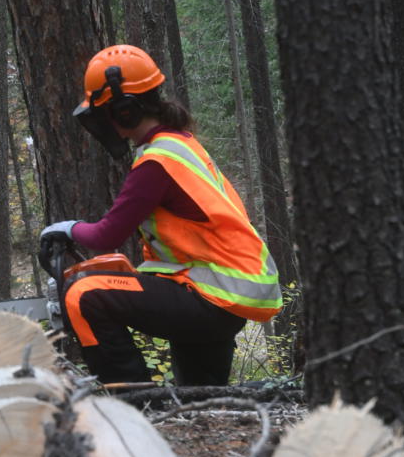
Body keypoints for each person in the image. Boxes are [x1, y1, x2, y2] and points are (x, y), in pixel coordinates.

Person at [40, 44, 283, 387]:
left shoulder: (157, 162)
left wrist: (66, 229)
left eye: (106, 112)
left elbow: (107, 235)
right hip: (221, 296)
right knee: (201, 397)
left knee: (83, 293)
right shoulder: (180, 144)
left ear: (125, 111)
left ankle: (134, 401)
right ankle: (192, 407)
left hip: (211, 296)